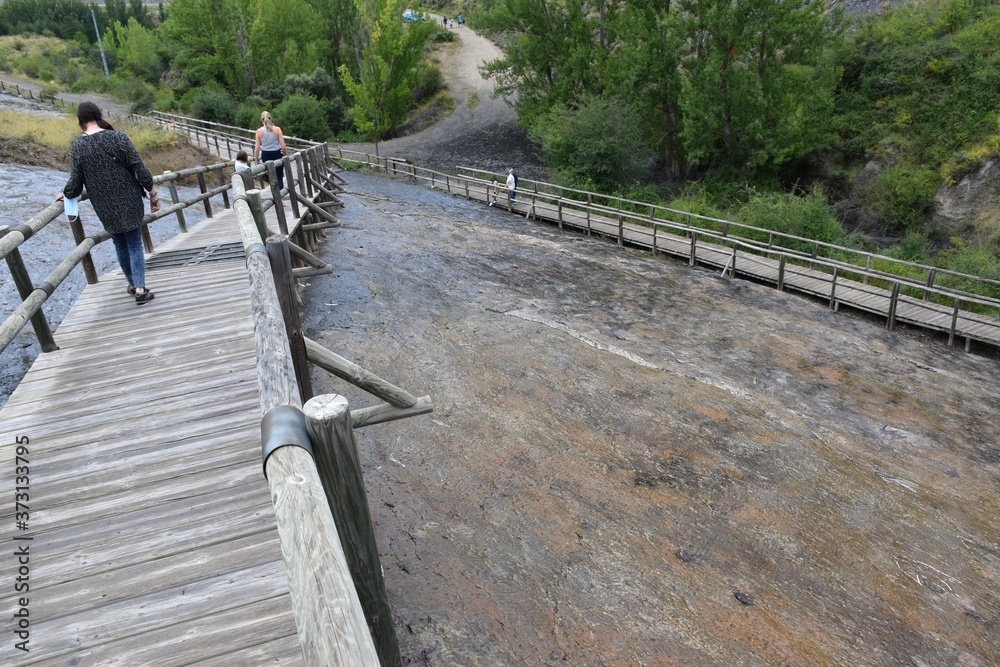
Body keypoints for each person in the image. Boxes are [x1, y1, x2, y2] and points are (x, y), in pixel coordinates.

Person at [57, 101, 160, 305]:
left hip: (104, 205)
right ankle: (140, 289)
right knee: (134, 244)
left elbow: (75, 183)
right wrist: (152, 193)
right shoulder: (117, 137)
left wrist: (65, 193)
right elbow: (139, 167)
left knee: (119, 245)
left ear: (80, 121)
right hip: (129, 198)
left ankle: (132, 285)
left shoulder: (78, 146)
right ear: (100, 115)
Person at [254, 111, 288, 193]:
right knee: (279, 176)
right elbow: (283, 145)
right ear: (271, 118)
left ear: (261, 119)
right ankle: (280, 196)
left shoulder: (259, 131)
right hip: (276, 153)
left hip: (265, 154)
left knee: (271, 176)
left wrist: (256, 160)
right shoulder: (277, 129)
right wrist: (285, 154)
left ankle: (274, 195)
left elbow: (257, 148)